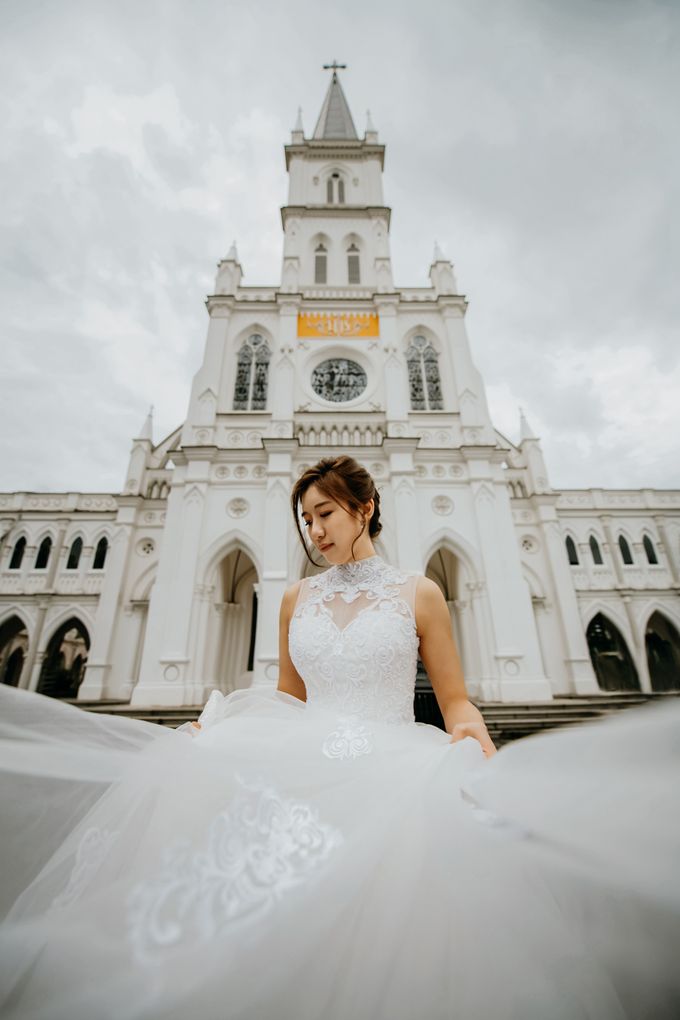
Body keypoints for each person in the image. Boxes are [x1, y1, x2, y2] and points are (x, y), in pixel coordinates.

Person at [0, 454, 679, 1019]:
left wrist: (474, 741)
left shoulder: (420, 595)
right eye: (305, 519)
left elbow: (456, 700)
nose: (314, 530)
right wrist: (224, 724)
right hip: (307, 773)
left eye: (324, 514)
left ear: (363, 508)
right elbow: (288, 700)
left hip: (397, 771)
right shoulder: (297, 598)